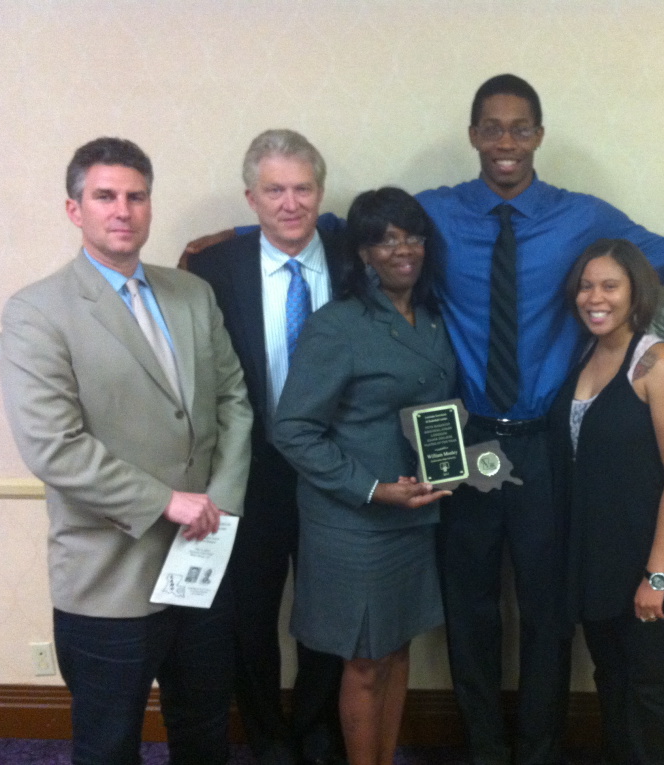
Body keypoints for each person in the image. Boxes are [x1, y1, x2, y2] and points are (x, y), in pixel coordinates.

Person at [181, 74, 664, 765]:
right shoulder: (434, 213)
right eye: (491, 127)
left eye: (520, 127)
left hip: (545, 450)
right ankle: (487, 750)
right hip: (459, 448)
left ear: (538, 135)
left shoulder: (582, 217)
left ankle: (538, 749)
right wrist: (239, 231)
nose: (505, 141)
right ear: (474, 136)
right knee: (469, 617)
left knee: (547, 616)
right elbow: (354, 226)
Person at [0, 137, 252, 764]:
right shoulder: (37, 311)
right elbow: (54, 447)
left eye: (136, 196)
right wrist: (168, 503)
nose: (123, 210)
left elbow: (234, 402)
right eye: (104, 195)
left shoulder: (192, 295)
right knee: (109, 746)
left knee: (204, 734)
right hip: (109, 577)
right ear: (73, 209)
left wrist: (216, 505)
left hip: (202, 565)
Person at [273, 188, 457, 765]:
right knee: (363, 660)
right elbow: (293, 429)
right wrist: (372, 488)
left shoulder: (431, 318)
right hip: (354, 524)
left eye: (412, 236)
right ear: (363, 251)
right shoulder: (338, 326)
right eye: (385, 239)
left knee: (397, 649)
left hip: (414, 515)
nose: (403, 250)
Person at [186, 129, 345, 765]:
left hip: (335, 468)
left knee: (328, 610)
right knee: (249, 615)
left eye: (302, 188)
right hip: (251, 470)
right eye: (274, 190)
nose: (290, 203)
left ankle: (316, 728)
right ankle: (267, 737)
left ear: (320, 193)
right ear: (250, 197)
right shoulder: (212, 269)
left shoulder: (354, 260)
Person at [548, 240, 664, 765]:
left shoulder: (661, 364)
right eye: (586, 286)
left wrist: (656, 575)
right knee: (611, 678)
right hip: (599, 552)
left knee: (650, 684)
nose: (595, 297)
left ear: (636, 291)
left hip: (654, 553)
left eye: (609, 285)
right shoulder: (586, 355)